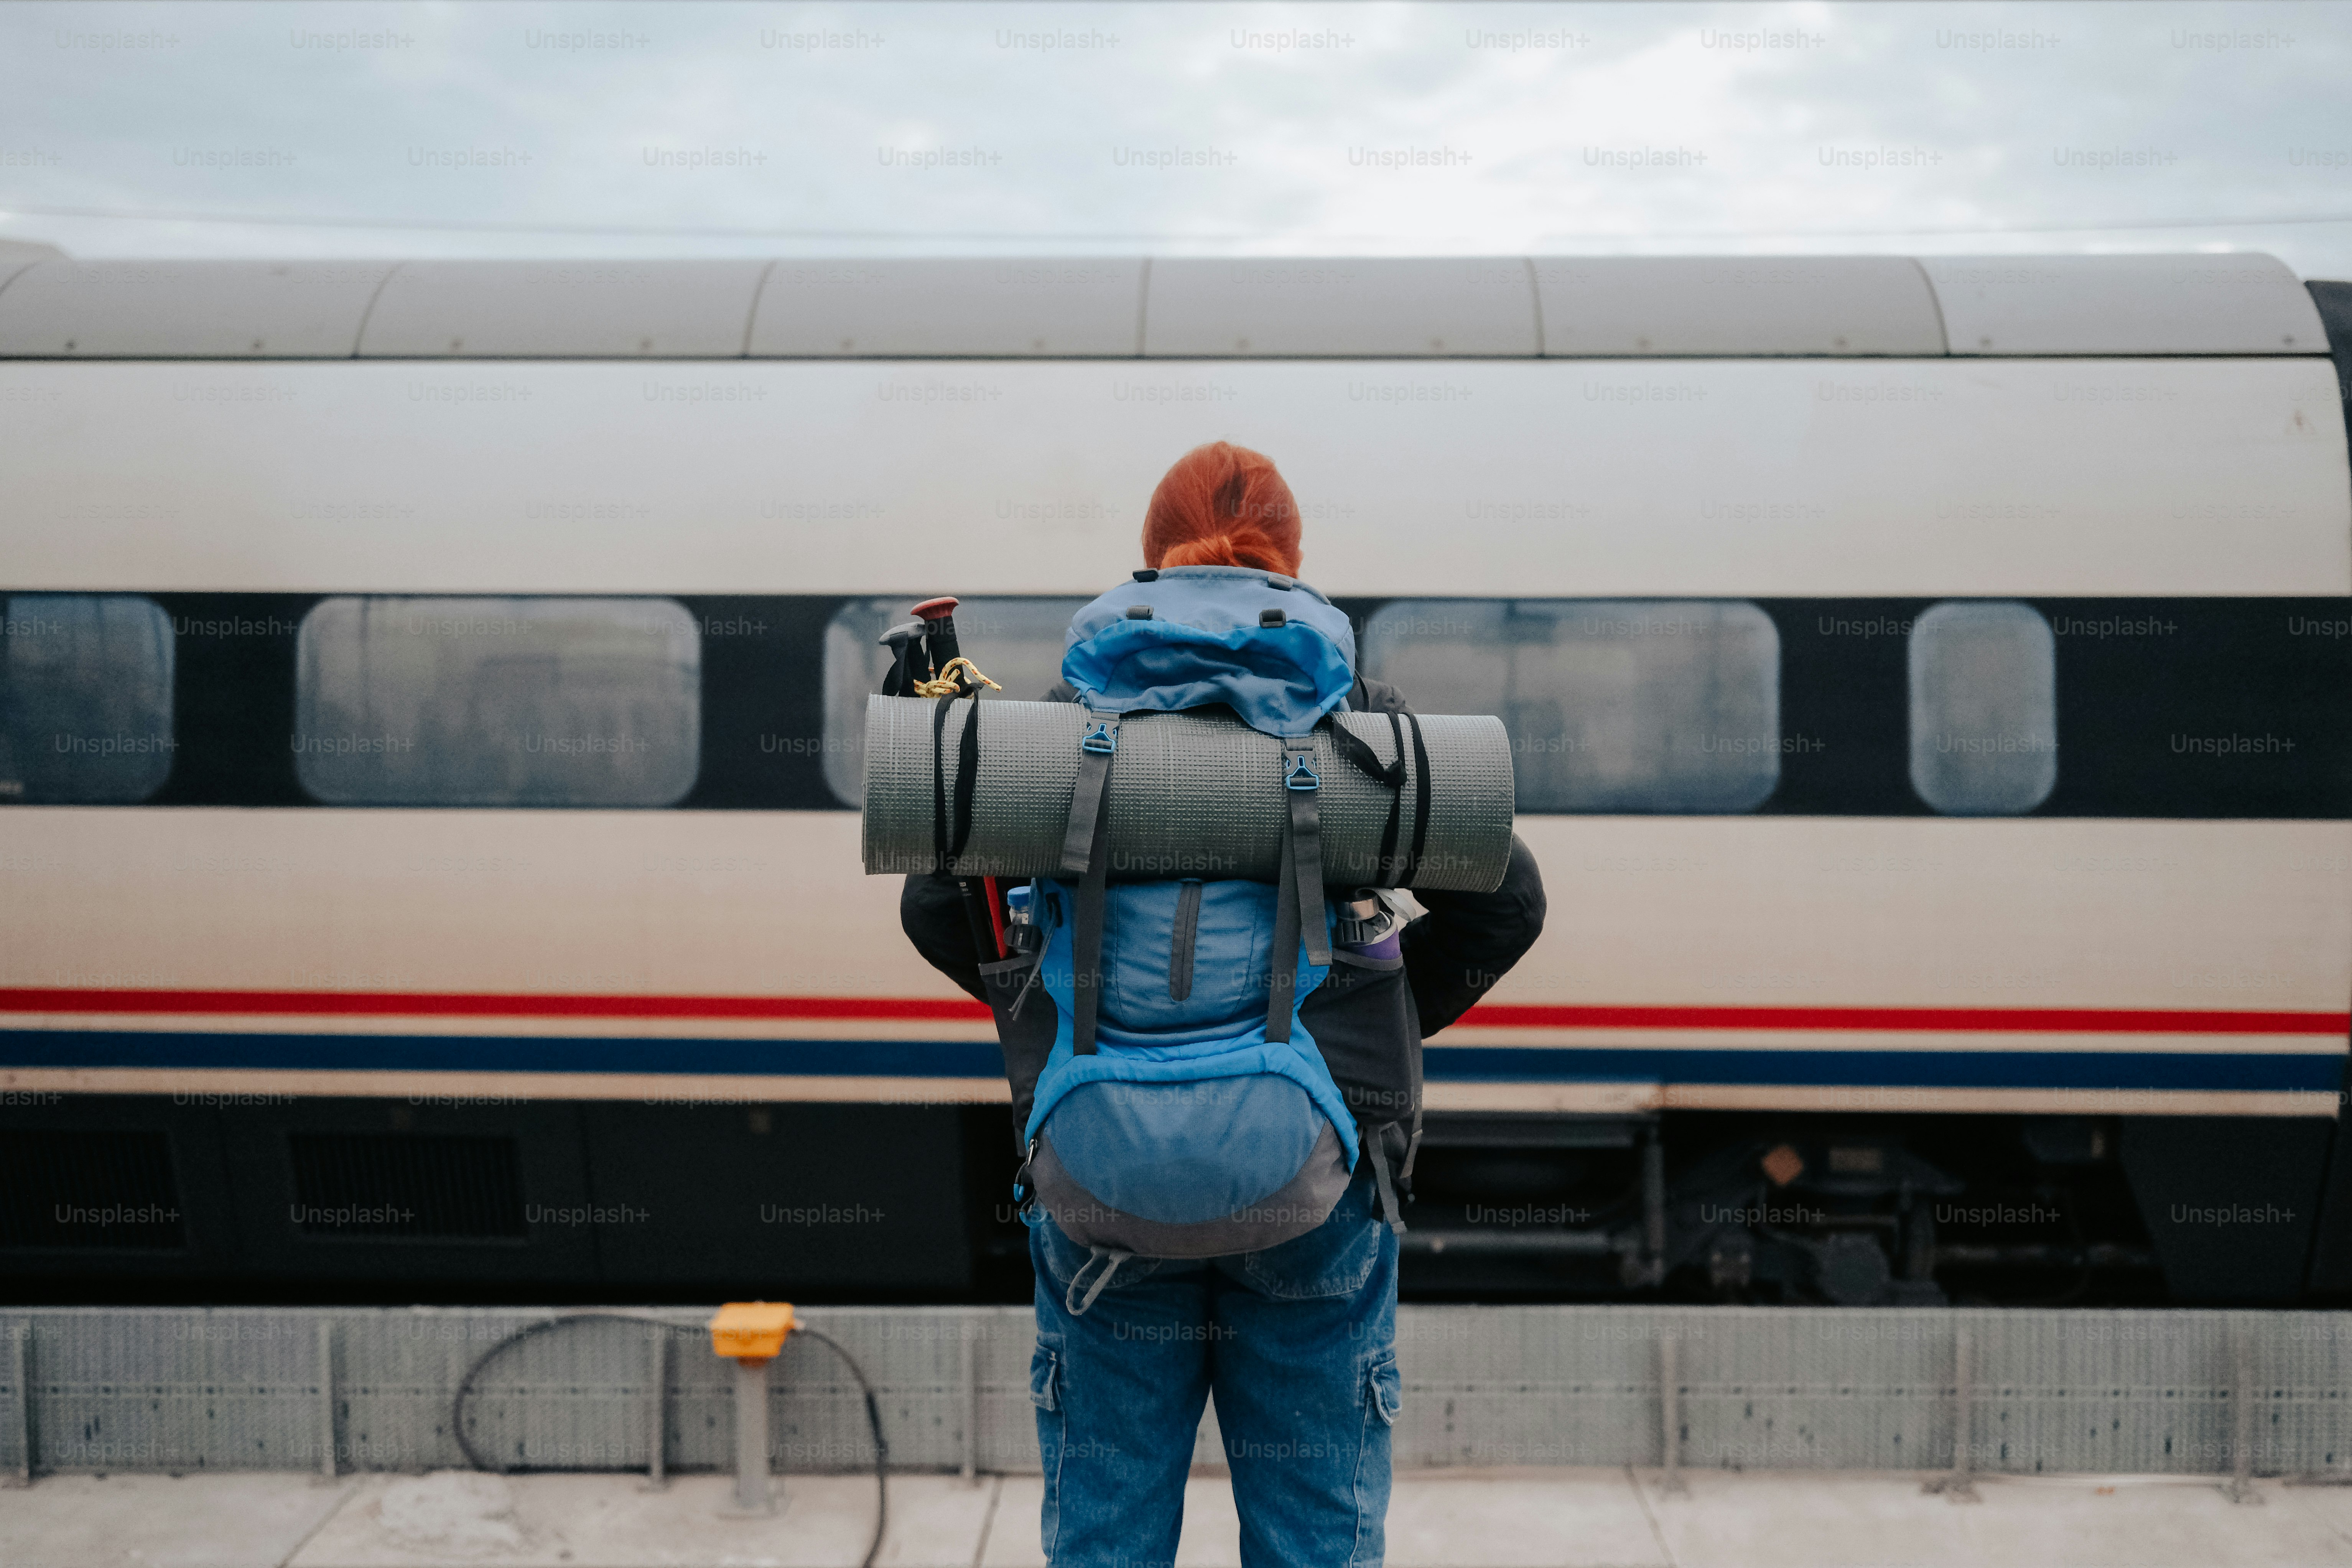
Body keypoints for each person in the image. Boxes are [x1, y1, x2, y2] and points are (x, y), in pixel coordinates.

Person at [901, 441, 1546, 1567]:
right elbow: (1510, 906)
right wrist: (1350, 1039)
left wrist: (1068, 1024)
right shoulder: (1360, 721)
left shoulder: (1066, 720)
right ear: (1290, 558)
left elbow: (934, 907)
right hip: (1314, 1178)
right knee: (1313, 1543)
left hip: (1101, 1176)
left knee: (1106, 1539)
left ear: (1154, 557)